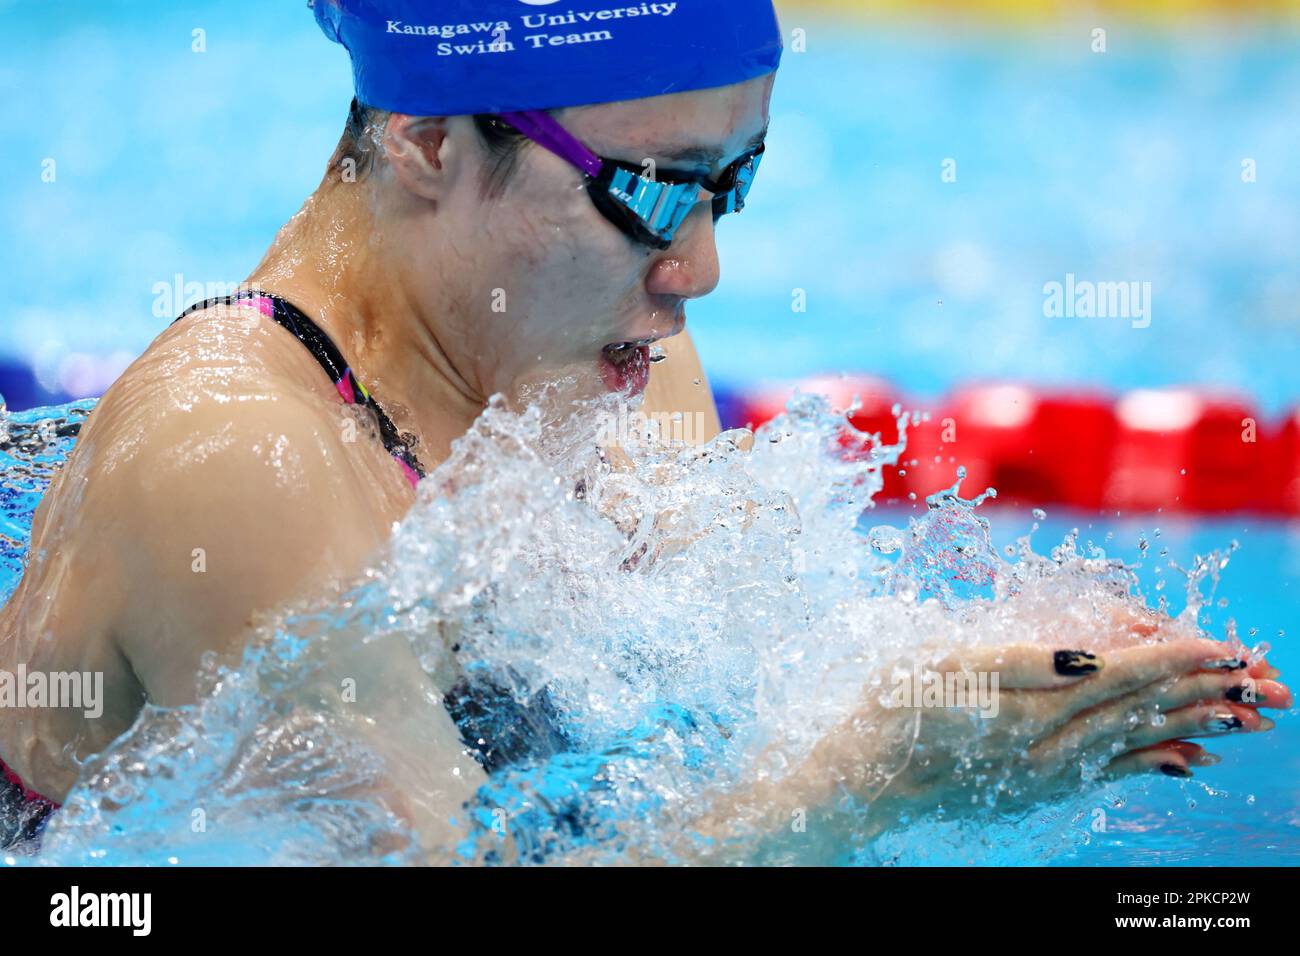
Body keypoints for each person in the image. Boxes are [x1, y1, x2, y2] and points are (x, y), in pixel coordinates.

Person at [0, 0, 1287, 858]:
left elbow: (704, 703)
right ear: (427, 142)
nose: (700, 269)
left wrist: (991, 683)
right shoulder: (234, 460)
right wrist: (875, 777)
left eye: (732, 185)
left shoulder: (607, 351)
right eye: (647, 191)